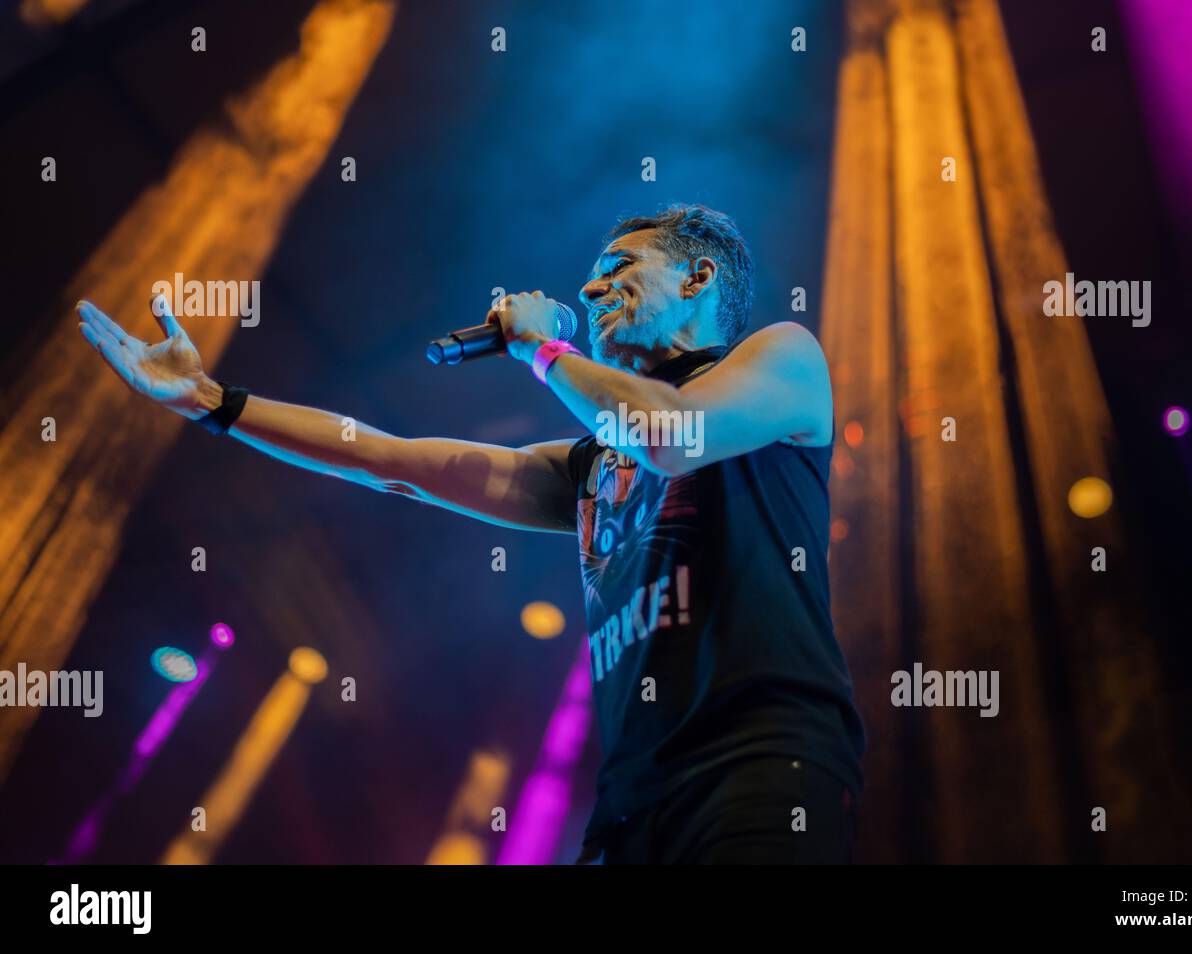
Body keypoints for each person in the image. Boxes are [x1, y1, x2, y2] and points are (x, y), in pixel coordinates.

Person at [77, 203, 865, 864]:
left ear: (698, 278)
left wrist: (540, 350)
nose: (591, 288)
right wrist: (213, 402)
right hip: (632, 803)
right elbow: (392, 461)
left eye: (620, 266)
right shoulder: (589, 463)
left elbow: (670, 433)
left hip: (760, 764)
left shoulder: (785, 359)